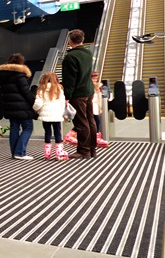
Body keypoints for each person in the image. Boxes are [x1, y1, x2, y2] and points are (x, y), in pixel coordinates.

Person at [62, 29, 98, 159]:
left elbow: (69, 80)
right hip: (89, 91)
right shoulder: (88, 53)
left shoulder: (70, 57)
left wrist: (67, 96)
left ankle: (84, 151)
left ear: (70, 41)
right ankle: (92, 149)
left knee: (81, 122)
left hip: (78, 93)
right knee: (90, 120)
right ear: (82, 40)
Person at [0, 53, 36, 160]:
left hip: (10, 107)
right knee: (28, 128)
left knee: (14, 128)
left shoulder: (3, 75)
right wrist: (34, 103)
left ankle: (14, 153)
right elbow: (26, 91)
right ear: (21, 62)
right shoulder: (19, 74)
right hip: (22, 107)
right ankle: (20, 153)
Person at [32, 71, 69, 160]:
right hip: (56, 115)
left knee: (47, 132)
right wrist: (60, 113)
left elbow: (38, 103)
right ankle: (59, 154)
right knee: (57, 133)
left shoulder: (41, 90)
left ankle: (47, 154)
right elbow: (62, 103)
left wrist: (35, 109)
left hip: (45, 116)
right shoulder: (59, 89)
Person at [91, 72, 109, 148]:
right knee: (95, 123)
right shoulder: (89, 87)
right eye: (93, 78)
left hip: (96, 108)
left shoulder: (99, 86)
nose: (95, 80)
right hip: (90, 108)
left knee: (97, 122)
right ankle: (95, 139)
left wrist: (100, 108)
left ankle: (96, 138)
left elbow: (100, 98)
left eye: (96, 78)